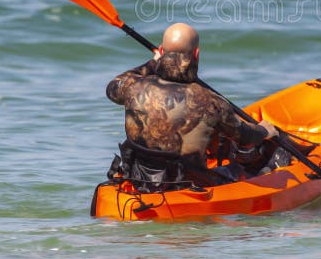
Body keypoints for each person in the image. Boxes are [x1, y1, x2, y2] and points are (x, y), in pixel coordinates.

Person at [106, 22, 280, 190]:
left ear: (161, 51)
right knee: (250, 166)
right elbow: (246, 137)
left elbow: (113, 87)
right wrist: (265, 131)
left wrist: (152, 63)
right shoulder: (211, 102)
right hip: (187, 186)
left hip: (140, 181)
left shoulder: (133, 88)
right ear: (196, 54)